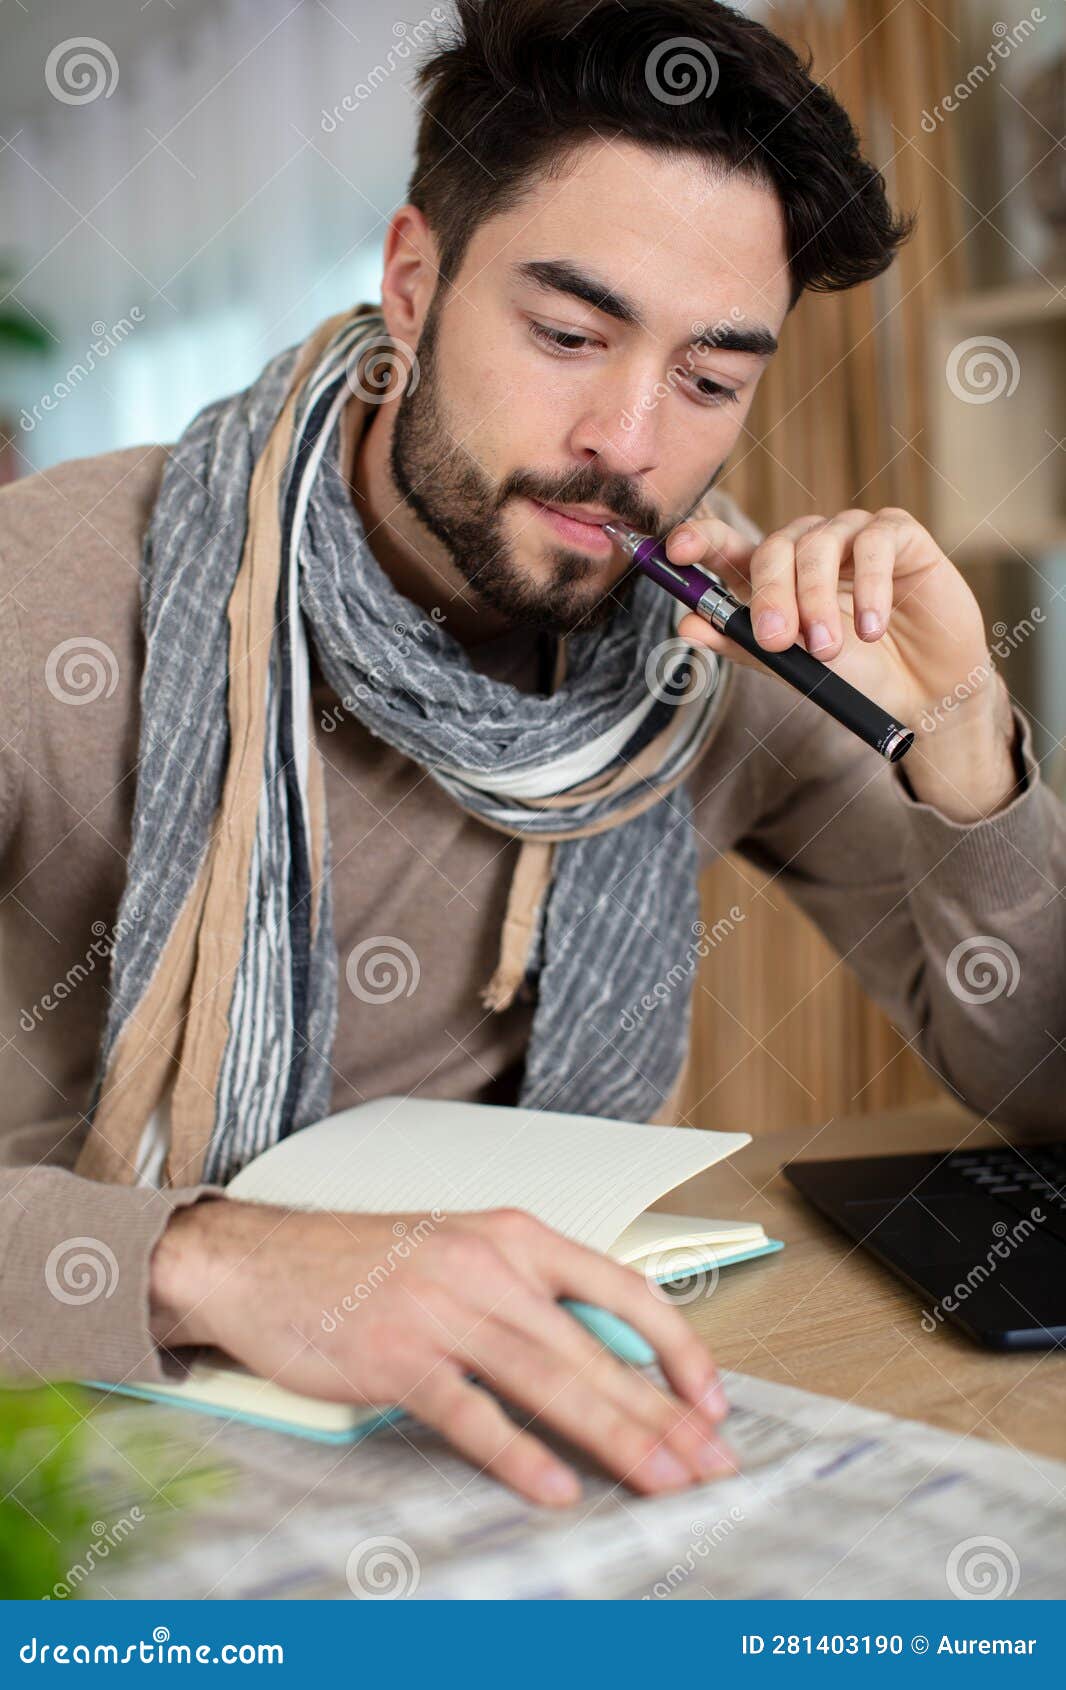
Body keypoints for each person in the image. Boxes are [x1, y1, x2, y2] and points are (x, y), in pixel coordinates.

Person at [2, 0, 1063, 1509]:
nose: (626, 440)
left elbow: (1041, 1081)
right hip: (77, 1443)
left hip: (532, 1445)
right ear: (413, 282)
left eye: (709, 381)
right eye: (567, 334)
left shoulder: (731, 650)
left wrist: (957, 744)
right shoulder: (42, 598)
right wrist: (211, 1258)